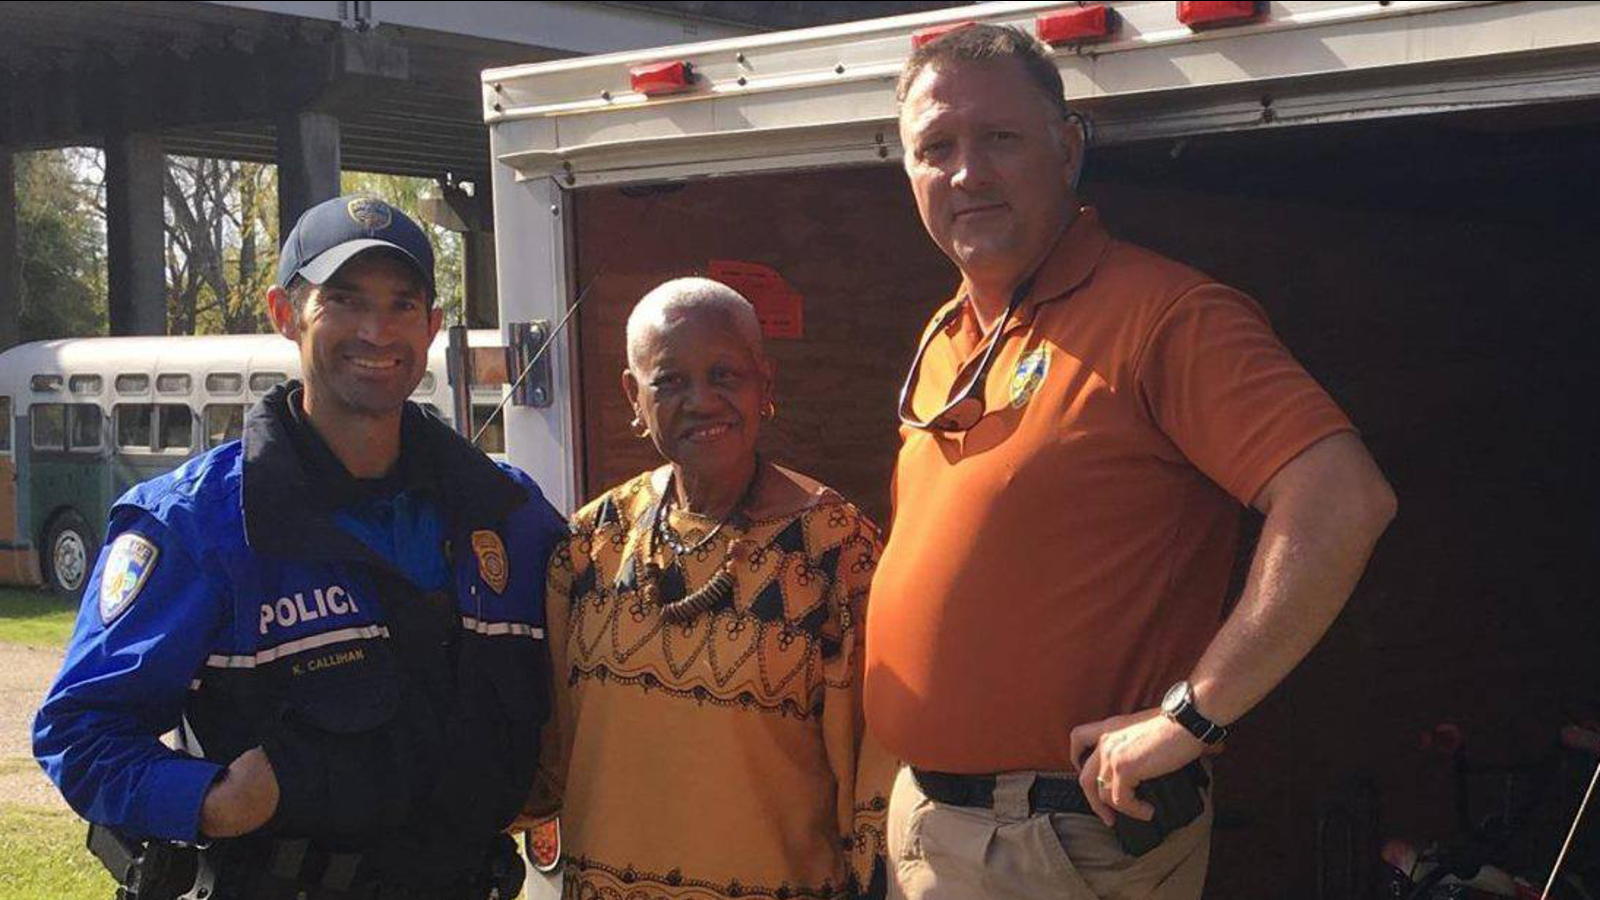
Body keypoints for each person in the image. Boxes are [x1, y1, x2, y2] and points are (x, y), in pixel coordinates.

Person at [863, 25, 1398, 900]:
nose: (966, 173)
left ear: (1068, 150)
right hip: (931, 822)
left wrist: (1192, 715)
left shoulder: (1167, 316)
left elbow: (1342, 498)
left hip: (1056, 841)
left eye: (999, 139)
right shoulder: (949, 330)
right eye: (937, 147)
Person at [33, 195, 567, 899]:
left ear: (433, 326)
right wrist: (209, 799)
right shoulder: (198, 524)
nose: (376, 331)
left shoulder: (510, 515)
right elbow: (79, 733)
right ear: (285, 314)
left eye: (403, 304)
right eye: (343, 300)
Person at [533, 277, 894, 900]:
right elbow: (554, 752)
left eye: (725, 375)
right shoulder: (590, 544)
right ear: (633, 396)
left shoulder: (835, 549)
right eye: (669, 381)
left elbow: (873, 779)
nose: (700, 400)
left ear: (765, 387)